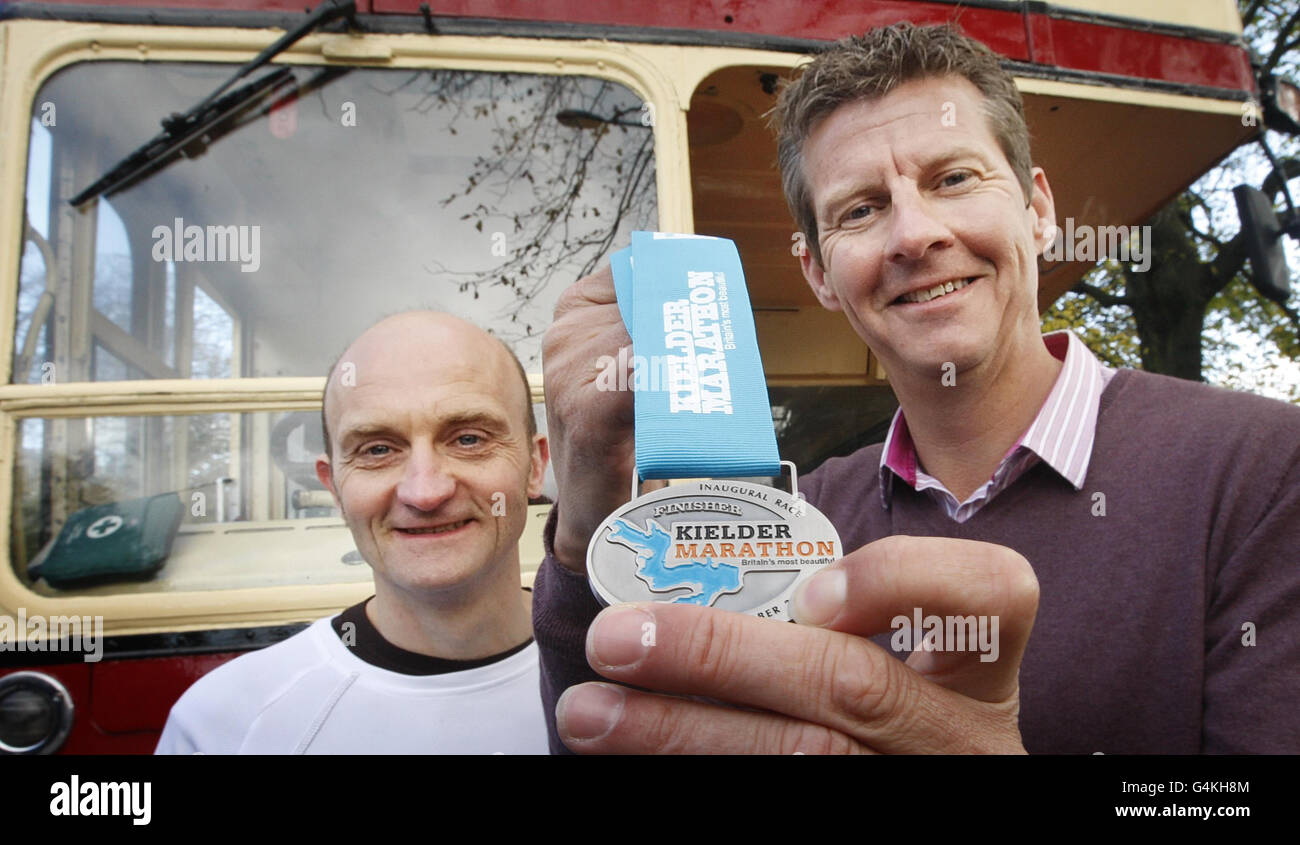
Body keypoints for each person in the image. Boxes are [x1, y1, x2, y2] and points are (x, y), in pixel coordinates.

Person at [532, 23, 1300, 754]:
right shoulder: (796, 517)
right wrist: (580, 541)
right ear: (819, 274)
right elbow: (623, 730)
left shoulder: (1263, 467)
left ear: (1038, 211)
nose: (913, 234)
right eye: (861, 209)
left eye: (954, 178)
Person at [157, 311, 550, 754]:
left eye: (469, 440)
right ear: (335, 489)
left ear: (535, 466)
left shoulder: (628, 678)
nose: (425, 491)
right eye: (378, 449)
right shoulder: (225, 724)